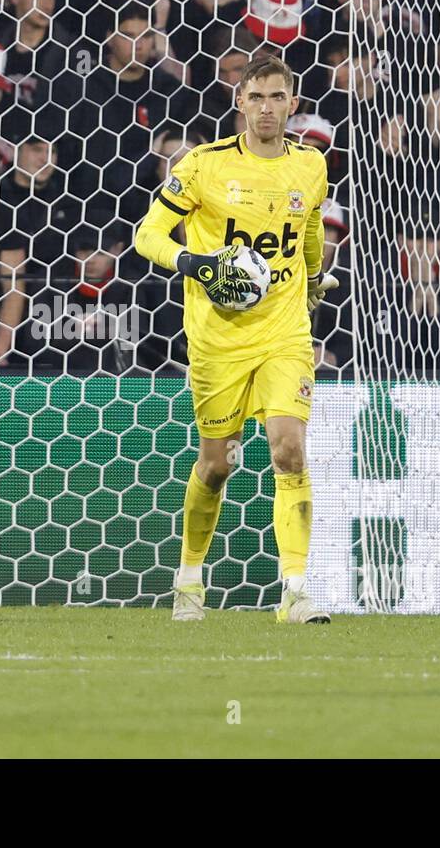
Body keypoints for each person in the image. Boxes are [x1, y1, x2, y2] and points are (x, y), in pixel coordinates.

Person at [134, 54, 335, 625]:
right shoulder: (203, 165)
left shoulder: (311, 166)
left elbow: (311, 227)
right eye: (257, 97)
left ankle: (294, 592)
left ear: (292, 104)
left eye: (278, 97)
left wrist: (315, 278)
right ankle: (189, 579)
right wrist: (195, 263)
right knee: (217, 464)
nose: (267, 108)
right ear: (239, 102)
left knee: (288, 448)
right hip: (217, 337)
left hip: (284, 329)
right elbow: (146, 234)